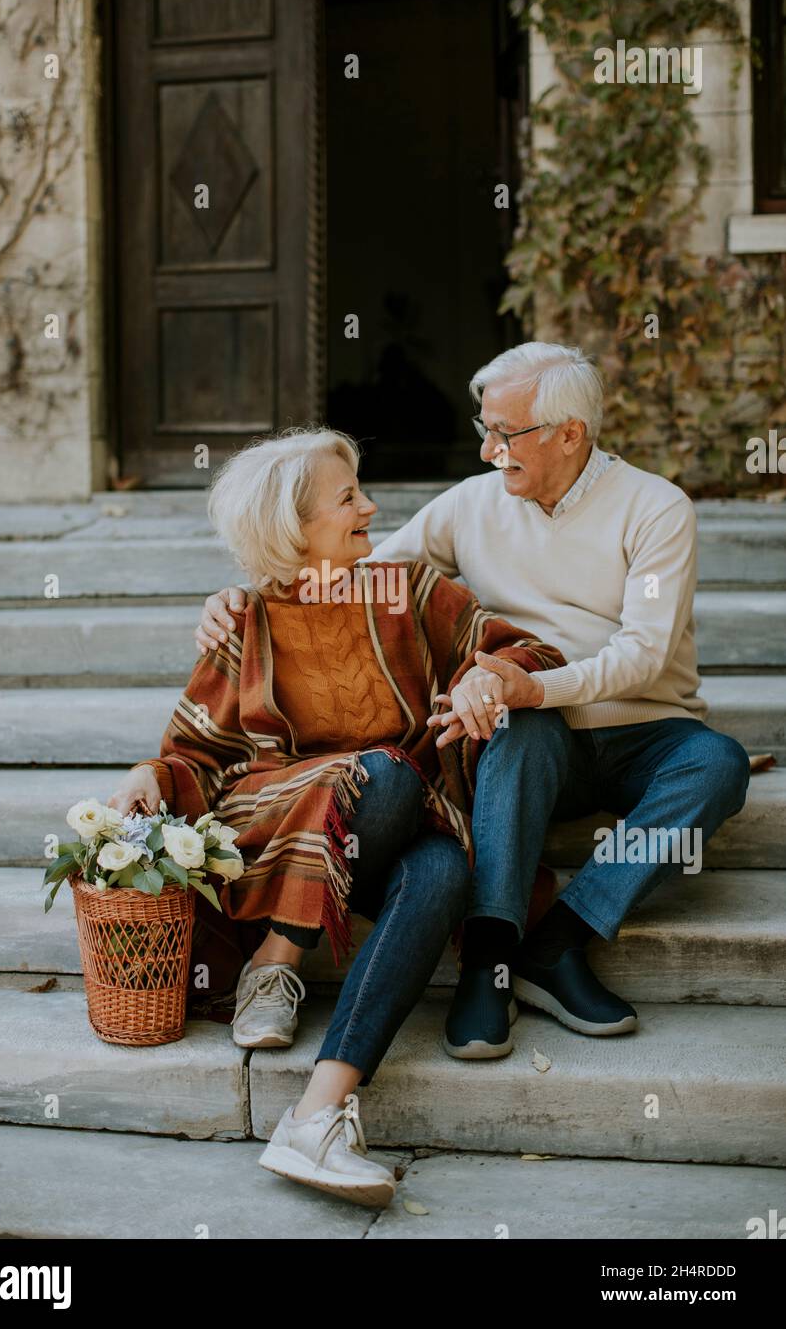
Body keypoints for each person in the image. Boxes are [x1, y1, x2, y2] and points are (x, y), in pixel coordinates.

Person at [197, 344, 751, 1060]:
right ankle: (489, 955)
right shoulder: (470, 504)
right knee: (518, 728)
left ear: (569, 434)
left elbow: (644, 654)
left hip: (644, 730)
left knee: (718, 766)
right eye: (484, 427)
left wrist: (533, 683)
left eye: (506, 434)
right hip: (529, 733)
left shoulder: (655, 510)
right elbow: (345, 571)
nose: (488, 449)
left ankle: (558, 943)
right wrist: (245, 598)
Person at [108, 428, 564, 1207]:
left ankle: (316, 1109)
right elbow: (197, 756)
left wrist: (492, 681)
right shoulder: (244, 621)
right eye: (348, 497)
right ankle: (279, 955)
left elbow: (528, 653)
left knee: (441, 858)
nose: (371, 507)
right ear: (293, 524)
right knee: (386, 779)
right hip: (282, 834)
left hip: (384, 833)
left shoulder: (411, 592)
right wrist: (149, 770)